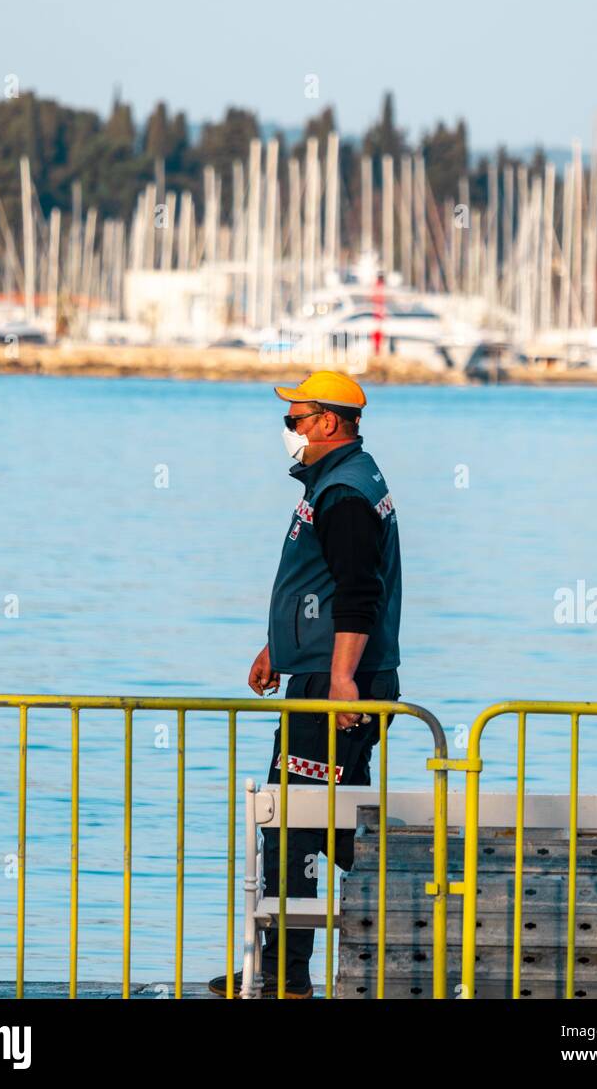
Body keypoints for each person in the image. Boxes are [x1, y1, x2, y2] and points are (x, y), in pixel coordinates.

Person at [209, 370, 402, 998]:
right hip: (322, 674)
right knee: (323, 824)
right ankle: (288, 968)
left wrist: (341, 679)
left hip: (334, 687)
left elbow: (358, 592)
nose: (287, 430)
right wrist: (278, 647)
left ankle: (285, 977)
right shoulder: (340, 482)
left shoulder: (343, 492)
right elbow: (319, 583)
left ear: (327, 423)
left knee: (297, 827)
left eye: (294, 419)